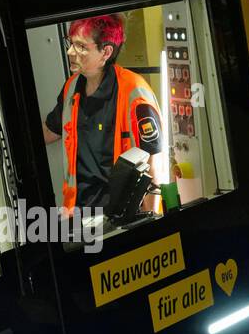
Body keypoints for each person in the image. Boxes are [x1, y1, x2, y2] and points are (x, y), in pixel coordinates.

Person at [42, 14, 163, 212]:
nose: (70, 52)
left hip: (121, 214)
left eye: (81, 46)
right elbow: (50, 130)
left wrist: (149, 219)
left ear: (105, 52)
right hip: (77, 211)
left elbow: (153, 163)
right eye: (70, 43)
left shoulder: (134, 92)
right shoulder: (72, 87)